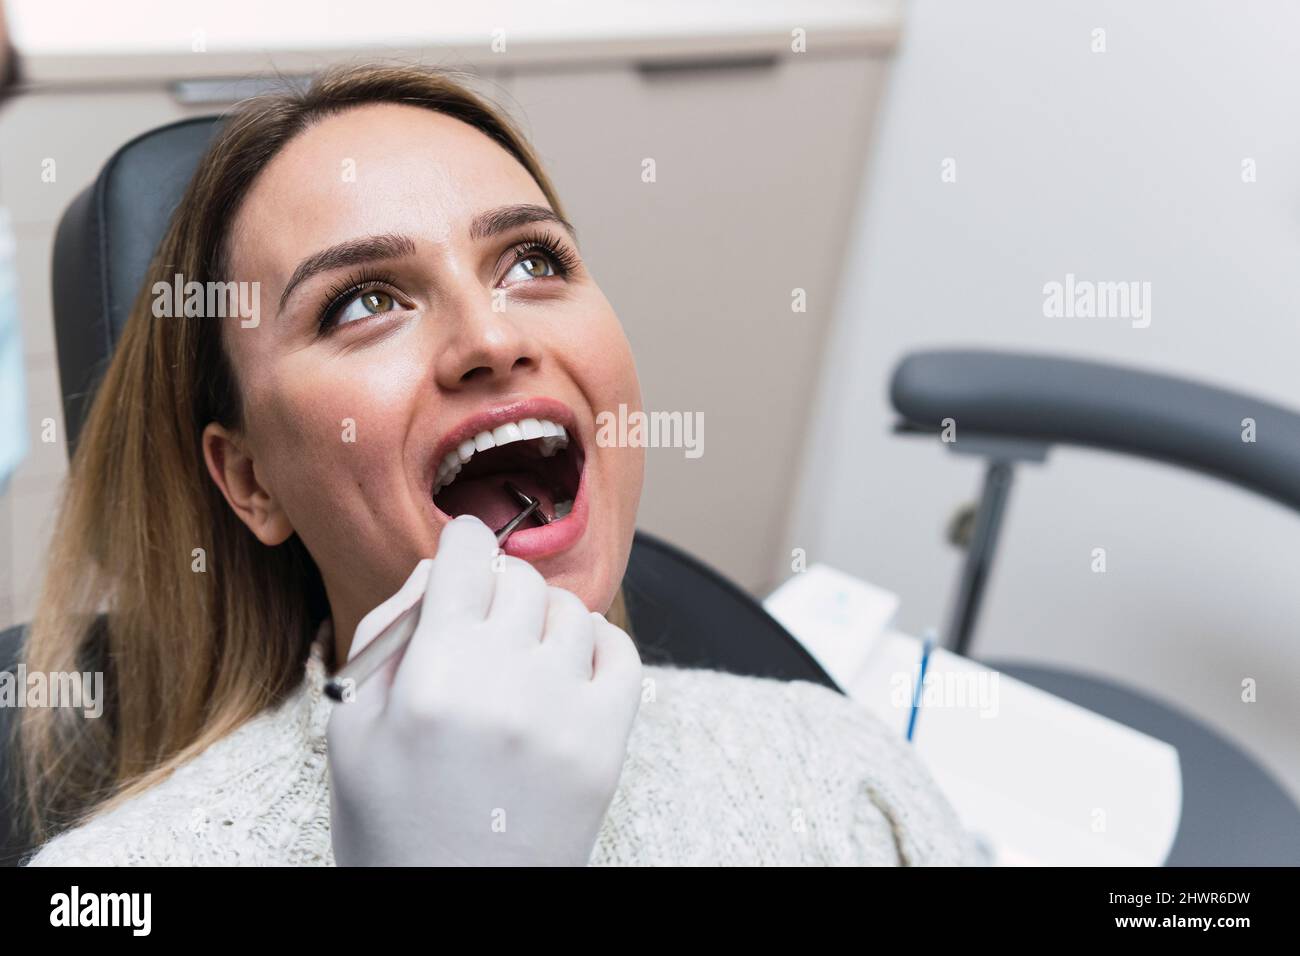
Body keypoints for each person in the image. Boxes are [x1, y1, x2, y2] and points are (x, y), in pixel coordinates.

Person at [18, 64, 980, 866]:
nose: (491, 334)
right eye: (361, 303)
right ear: (251, 481)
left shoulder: (832, 766)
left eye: (531, 262)